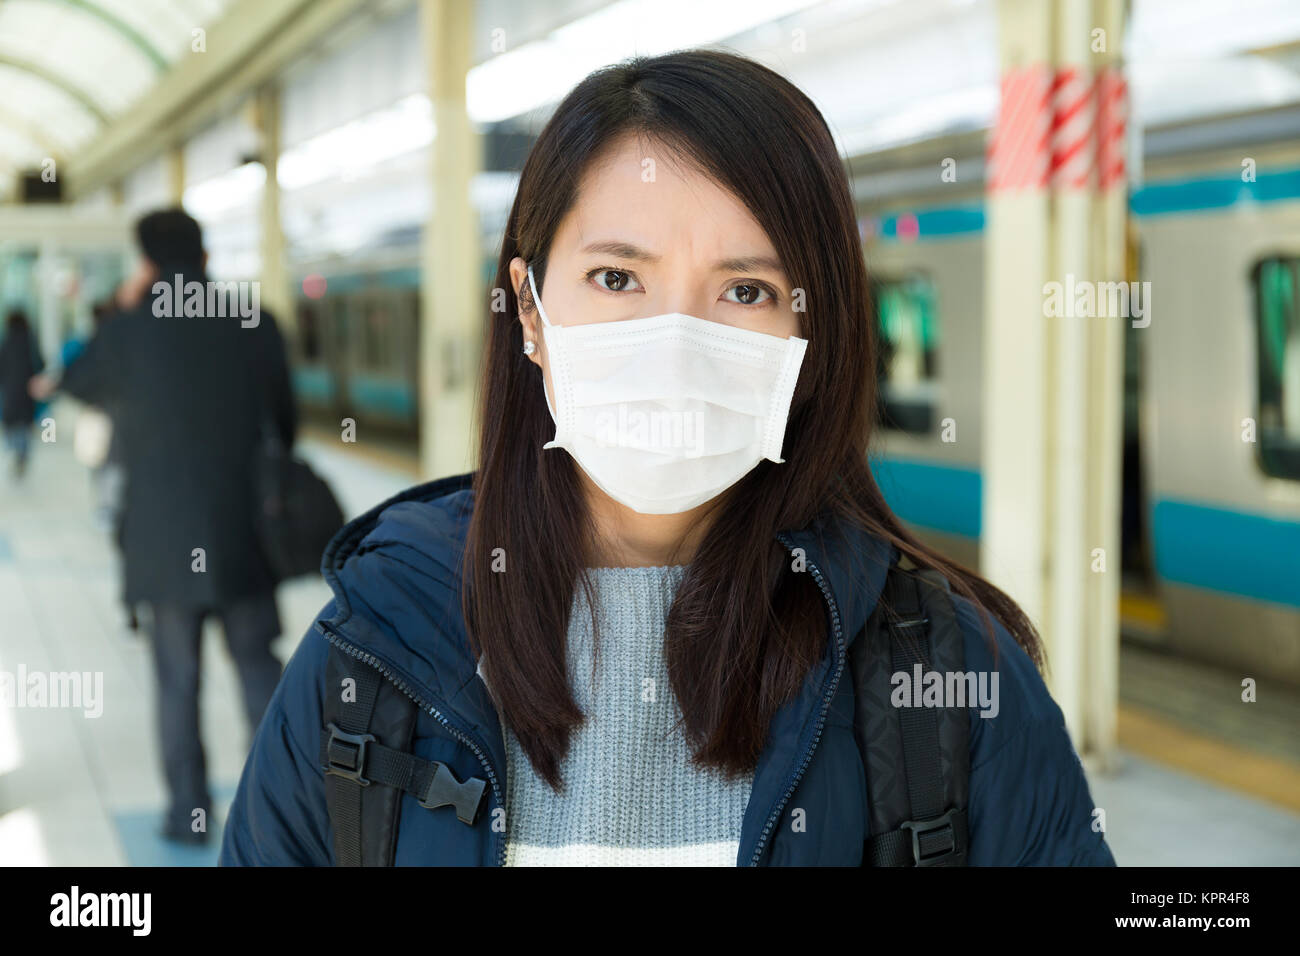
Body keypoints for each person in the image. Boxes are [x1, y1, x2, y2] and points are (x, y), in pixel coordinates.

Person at [220, 50, 1116, 866]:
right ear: (530, 312)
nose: (676, 344)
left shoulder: (950, 675)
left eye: (745, 290)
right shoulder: (376, 653)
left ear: (813, 333)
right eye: (617, 278)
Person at [37, 207, 297, 845]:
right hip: (242, 532)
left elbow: (74, 382)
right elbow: (286, 425)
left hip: (161, 539)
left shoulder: (128, 330)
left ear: (147, 262)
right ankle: (285, 816)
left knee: (177, 680)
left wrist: (127, 309)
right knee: (259, 667)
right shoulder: (250, 318)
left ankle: (189, 815)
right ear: (204, 256)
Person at [0, 309, 44, 479]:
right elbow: (39, 363)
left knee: (11, 426)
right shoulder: (30, 341)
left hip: (10, 393)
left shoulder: (6, 341)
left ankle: (14, 452)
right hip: (28, 392)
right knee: (24, 427)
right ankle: (22, 455)